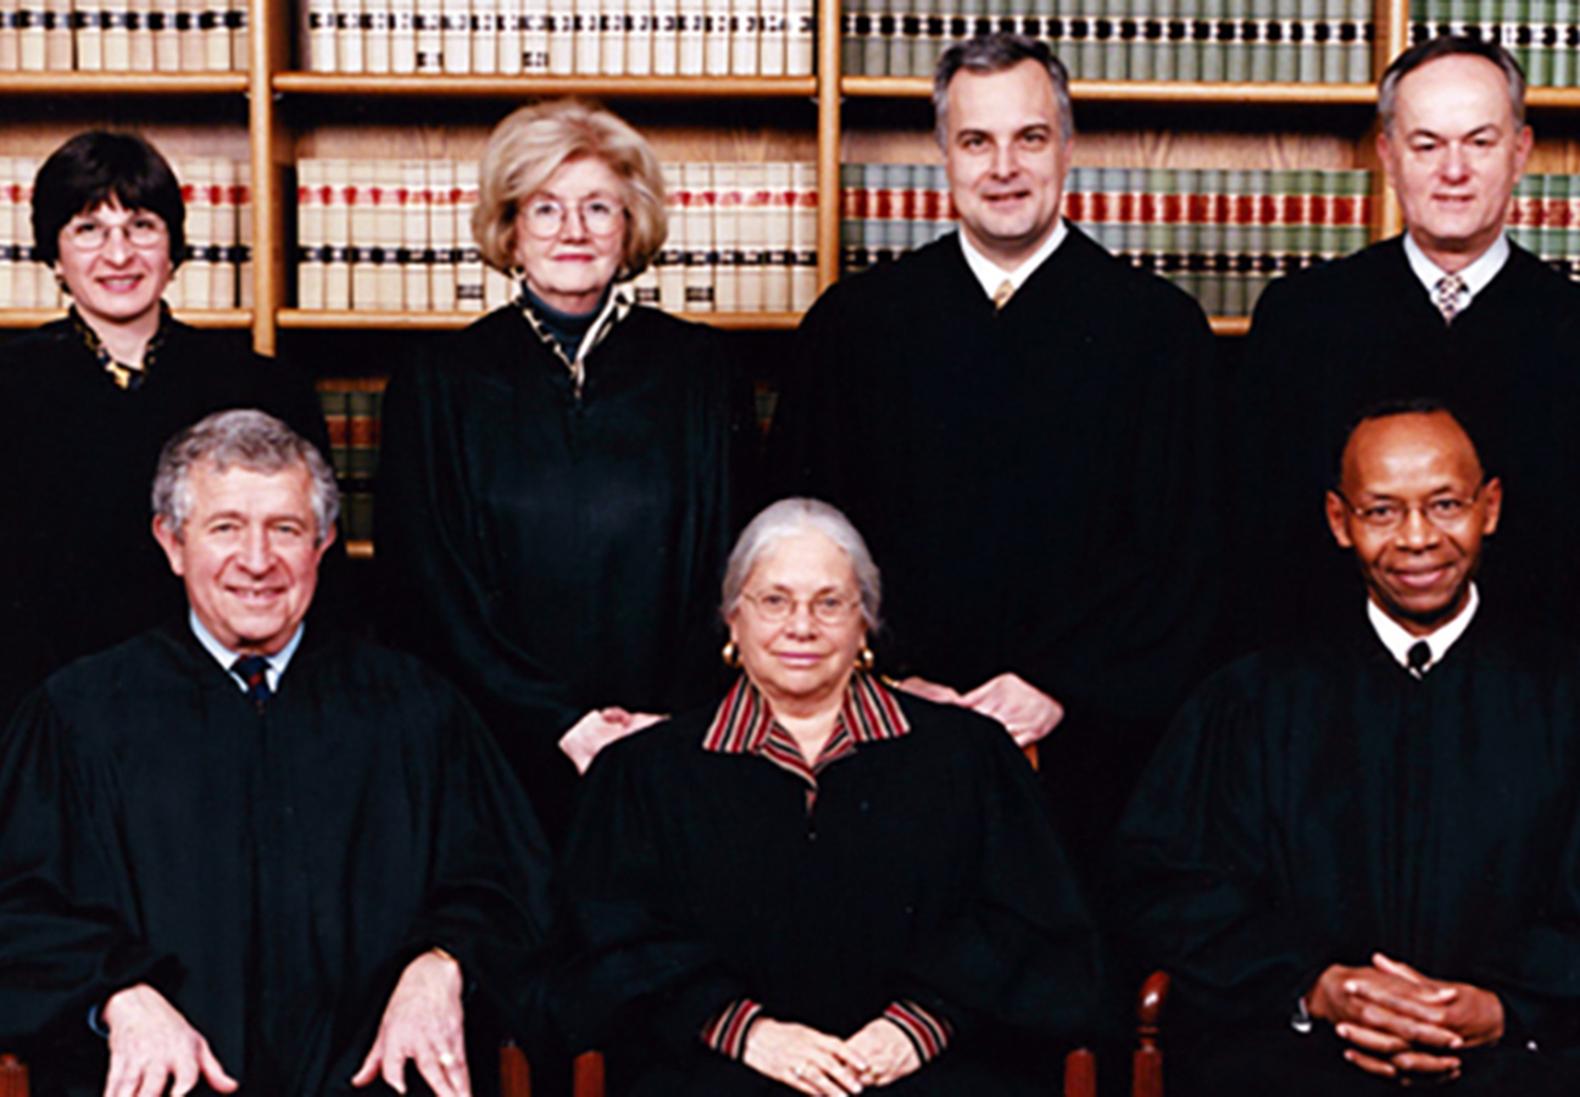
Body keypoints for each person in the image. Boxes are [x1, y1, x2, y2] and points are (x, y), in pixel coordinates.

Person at [0, 409, 552, 1097]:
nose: (258, 561)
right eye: (226, 528)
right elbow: (16, 913)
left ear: (324, 543)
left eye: (285, 529)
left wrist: (443, 965)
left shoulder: (416, 711)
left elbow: (511, 891)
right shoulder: (78, 717)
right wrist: (115, 996)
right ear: (172, 542)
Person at [771, 33, 1220, 869]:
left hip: (1092, 756)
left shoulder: (1159, 331)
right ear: (943, 153)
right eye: (977, 141)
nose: (1004, 167)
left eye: (1030, 138)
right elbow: (805, 536)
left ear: (1068, 147)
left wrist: (1058, 687)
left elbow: (1184, 560)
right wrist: (883, 677)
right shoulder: (856, 326)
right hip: (883, 733)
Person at [554, 497, 1103, 1097]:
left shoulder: (971, 754)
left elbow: (1032, 931)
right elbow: (613, 946)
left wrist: (913, 1031)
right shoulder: (642, 771)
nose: (801, 627)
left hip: (930, 1068)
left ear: (865, 622)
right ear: (733, 620)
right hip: (724, 1069)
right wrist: (749, 1034)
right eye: (774, 600)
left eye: (830, 603)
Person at [1111, 402, 1580, 1096]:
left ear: (1490, 507)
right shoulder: (1253, 700)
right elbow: (1166, 889)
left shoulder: (1564, 695)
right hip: (1300, 1062)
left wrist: (1505, 1008)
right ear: (1339, 520)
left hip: (1524, 1062)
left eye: (1445, 504)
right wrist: (1318, 989)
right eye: (1382, 511)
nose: (1417, 539)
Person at [377, 99, 752, 844]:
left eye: (597, 208)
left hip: (667, 739)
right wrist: (562, 721)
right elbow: (430, 590)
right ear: (511, 228)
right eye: (545, 208)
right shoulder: (439, 380)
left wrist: (663, 721)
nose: (573, 231)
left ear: (630, 225)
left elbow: (731, 562)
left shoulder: (702, 371)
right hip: (495, 751)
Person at [1231, 35, 1580, 652]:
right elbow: (1261, 545)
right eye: (1427, 145)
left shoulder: (1569, 321)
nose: (1454, 171)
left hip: (1543, 685)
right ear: (1389, 156)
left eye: (1480, 142)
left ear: (1520, 151)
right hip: (1336, 681)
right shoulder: (1301, 318)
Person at [0, 130, 330, 723]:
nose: (119, 255)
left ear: (173, 246)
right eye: (88, 229)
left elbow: (318, 577)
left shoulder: (266, 387)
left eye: (141, 226)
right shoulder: (10, 384)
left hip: (222, 708)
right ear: (53, 254)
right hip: (44, 710)